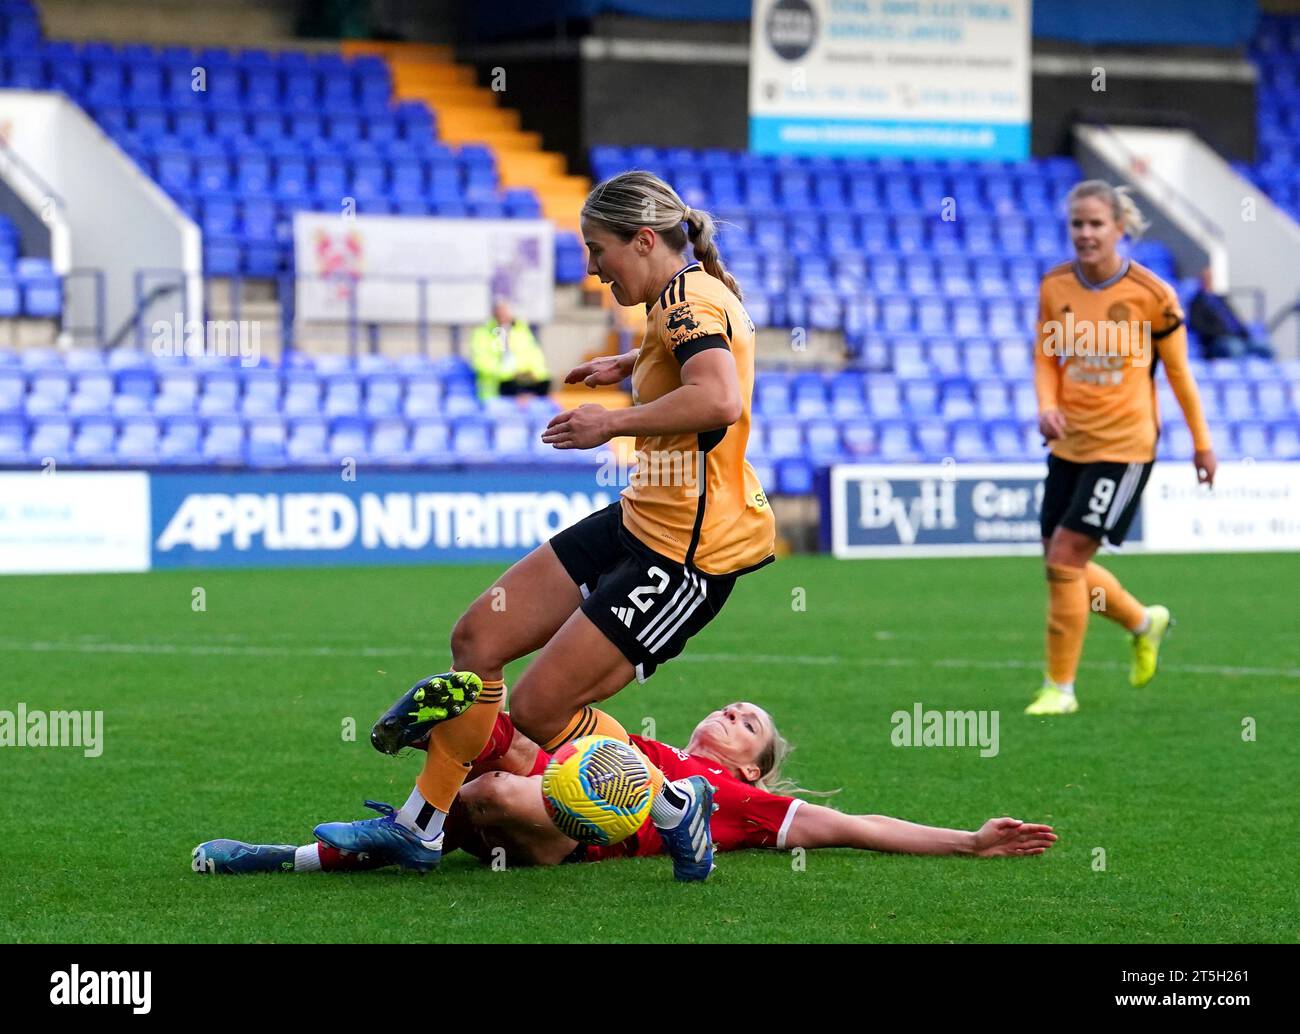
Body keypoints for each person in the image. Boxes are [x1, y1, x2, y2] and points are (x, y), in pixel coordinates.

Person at [305, 171, 776, 881]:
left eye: (598, 249)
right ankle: (420, 824)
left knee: (538, 708)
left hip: (686, 554)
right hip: (639, 519)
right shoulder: (679, 299)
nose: (592, 267)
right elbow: (704, 355)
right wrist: (634, 362)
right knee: (478, 638)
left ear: (644, 240)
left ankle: (678, 806)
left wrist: (610, 421)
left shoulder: (685, 302)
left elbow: (718, 397)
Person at [192, 703, 1057, 874]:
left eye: (747, 723)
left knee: (492, 795)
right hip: (577, 781)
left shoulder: (741, 795)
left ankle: (421, 823)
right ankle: (301, 854)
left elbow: (854, 825)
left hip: (586, 829)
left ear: (750, 766)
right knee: (499, 718)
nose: (731, 712)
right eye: (732, 707)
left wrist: (968, 840)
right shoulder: (637, 742)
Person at [1029, 180, 1217, 716]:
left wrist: (1202, 444)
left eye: (1096, 224)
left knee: (1066, 558)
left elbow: (1179, 374)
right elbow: (1046, 357)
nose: (1085, 234)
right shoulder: (1055, 286)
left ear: (1119, 227)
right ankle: (1142, 621)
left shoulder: (1152, 295)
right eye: (1077, 224)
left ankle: (1059, 690)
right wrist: (1047, 404)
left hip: (1125, 446)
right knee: (1059, 561)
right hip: (1069, 443)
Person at [468, 299, 552, 401]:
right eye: (501, 310)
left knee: (544, 382)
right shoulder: (482, 334)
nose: (504, 314)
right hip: (497, 386)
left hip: (521, 381)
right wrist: (509, 373)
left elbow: (535, 358)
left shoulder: (521, 332)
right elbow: (482, 363)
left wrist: (531, 373)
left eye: (507, 310)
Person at [1186, 269, 1274, 360]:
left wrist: (1244, 333)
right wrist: (1222, 333)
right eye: (1208, 278)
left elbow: (1235, 320)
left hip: (1238, 337)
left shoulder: (1221, 299)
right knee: (1235, 348)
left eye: (1213, 278)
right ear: (1201, 281)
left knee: (1265, 347)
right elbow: (1198, 325)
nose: (1211, 281)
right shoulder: (1197, 302)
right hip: (1217, 341)